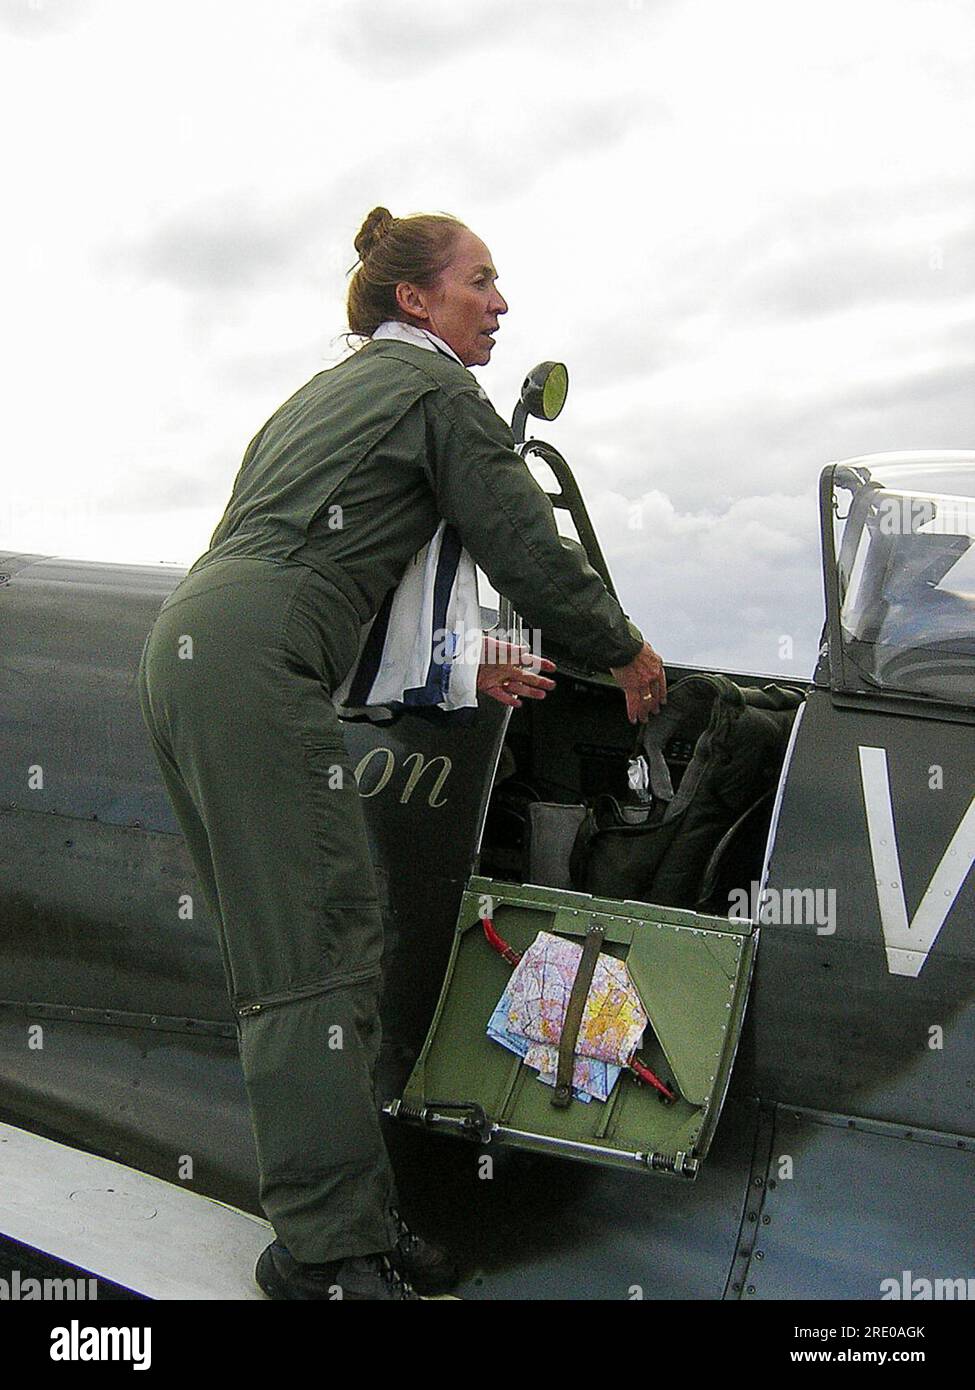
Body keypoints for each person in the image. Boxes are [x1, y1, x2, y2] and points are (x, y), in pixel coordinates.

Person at [137, 206, 666, 1301]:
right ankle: (324, 1256)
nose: (502, 302)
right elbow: (520, 535)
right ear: (415, 302)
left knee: (308, 944)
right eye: (481, 280)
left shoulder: (333, 394)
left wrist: (459, 672)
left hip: (204, 649)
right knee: (320, 950)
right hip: (258, 662)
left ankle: (357, 1222)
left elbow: (329, 563)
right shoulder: (436, 391)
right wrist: (620, 649)